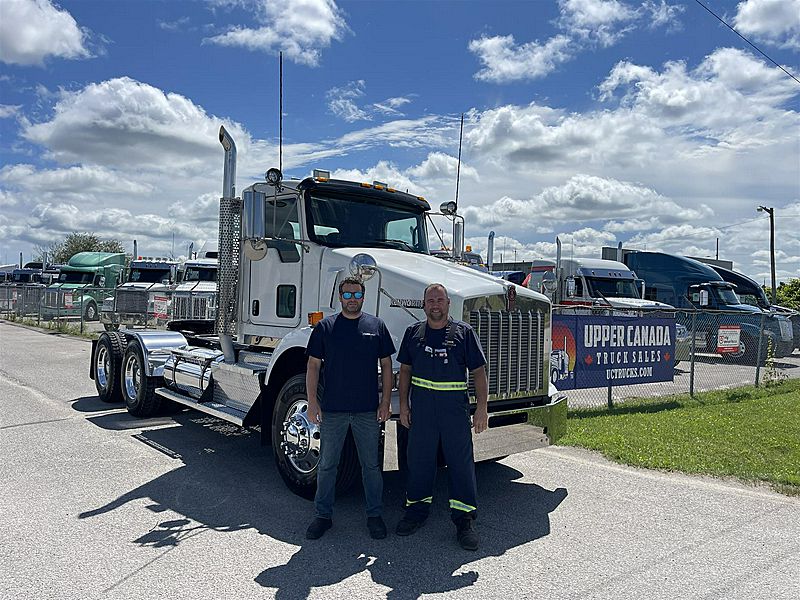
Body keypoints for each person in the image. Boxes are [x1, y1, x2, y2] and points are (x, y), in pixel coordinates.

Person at [395, 283, 489, 551]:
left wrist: (481, 408)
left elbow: (479, 372)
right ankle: (416, 512)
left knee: (460, 465)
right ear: (424, 305)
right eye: (430, 300)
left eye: (439, 299)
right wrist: (403, 405)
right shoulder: (413, 334)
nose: (435, 304)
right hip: (422, 412)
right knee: (419, 462)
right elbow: (405, 372)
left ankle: (464, 520)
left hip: (454, 413)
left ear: (448, 303)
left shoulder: (464, 333)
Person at [305, 276, 396, 540]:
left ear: (363, 297)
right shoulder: (325, 327)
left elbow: (387, 365)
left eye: (356, 295)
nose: (352, 299)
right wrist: (312, 401)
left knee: (370, 466)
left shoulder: (375, 326)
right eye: (347, 295)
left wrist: (385, 401)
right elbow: (313, 365)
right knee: (327, 465)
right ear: (340, 297)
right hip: (333, 410)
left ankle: (375, 515)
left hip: (367, 410)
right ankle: (322, 516)